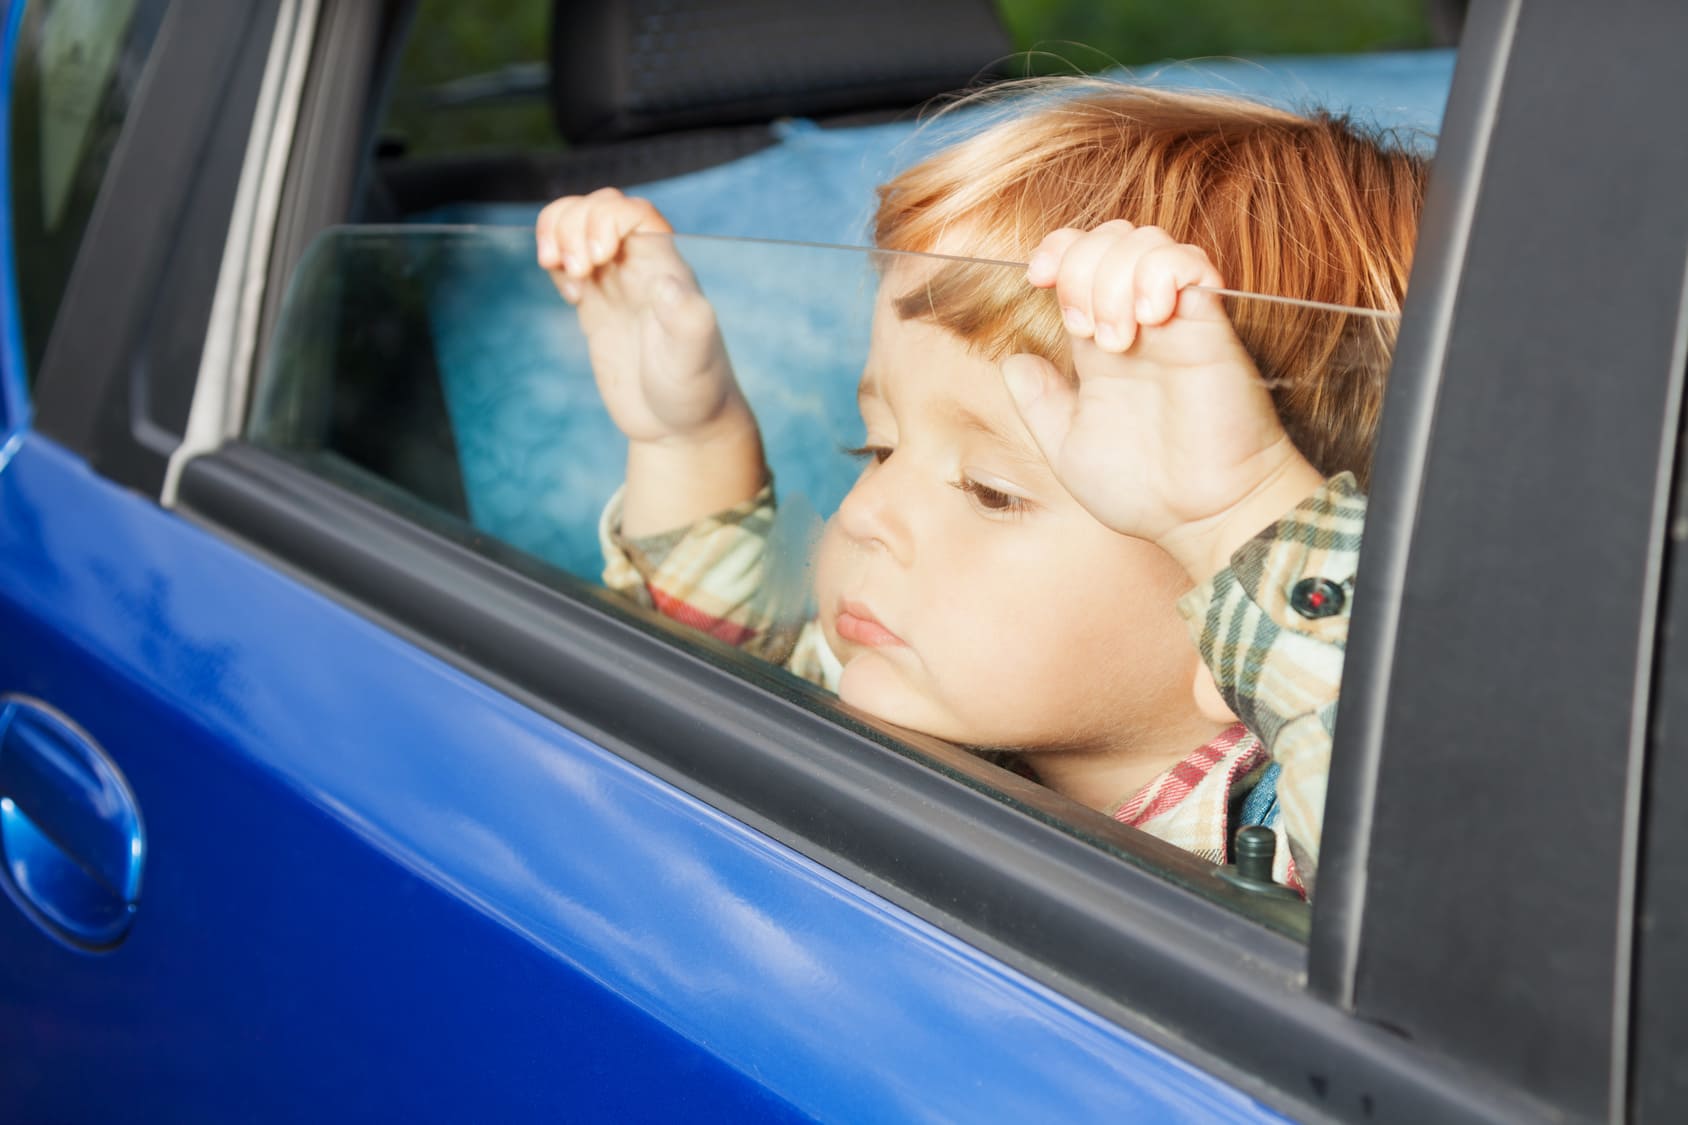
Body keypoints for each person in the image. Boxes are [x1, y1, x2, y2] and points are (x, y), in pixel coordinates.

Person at [535, 83, 1426, 896]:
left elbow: (1438, 871)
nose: (864, 514)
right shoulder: (939, 692)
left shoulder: (1320, 850)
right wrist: (688, 437)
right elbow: (713, 683)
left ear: (1228, 609)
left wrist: (1237, 506)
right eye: (879, 447)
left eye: (993, 491)